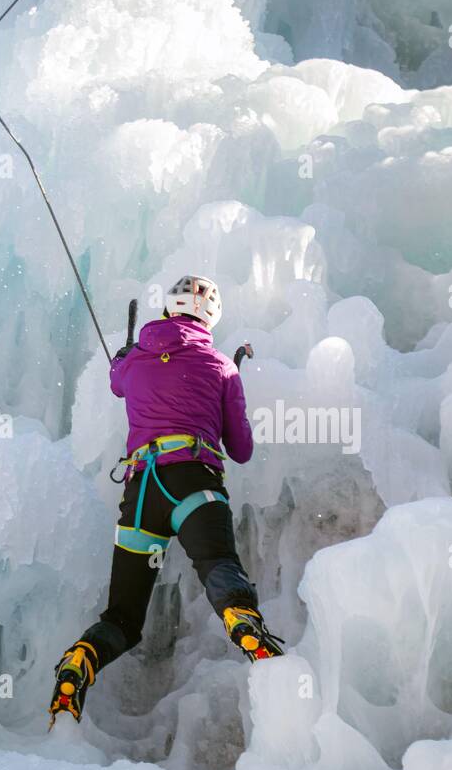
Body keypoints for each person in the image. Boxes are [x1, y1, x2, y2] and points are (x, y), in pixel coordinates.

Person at [50, 275, 283, 725]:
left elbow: (119, 382)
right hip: (194, 483)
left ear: (168, 309)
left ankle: (83, 657)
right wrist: (229, 389)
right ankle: (241, 620)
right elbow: (241, 449)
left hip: (141, 495)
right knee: (217, 564)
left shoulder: (135, 359)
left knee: (123, 618)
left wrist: (125, 356)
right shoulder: (221, 367)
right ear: (210, 318)